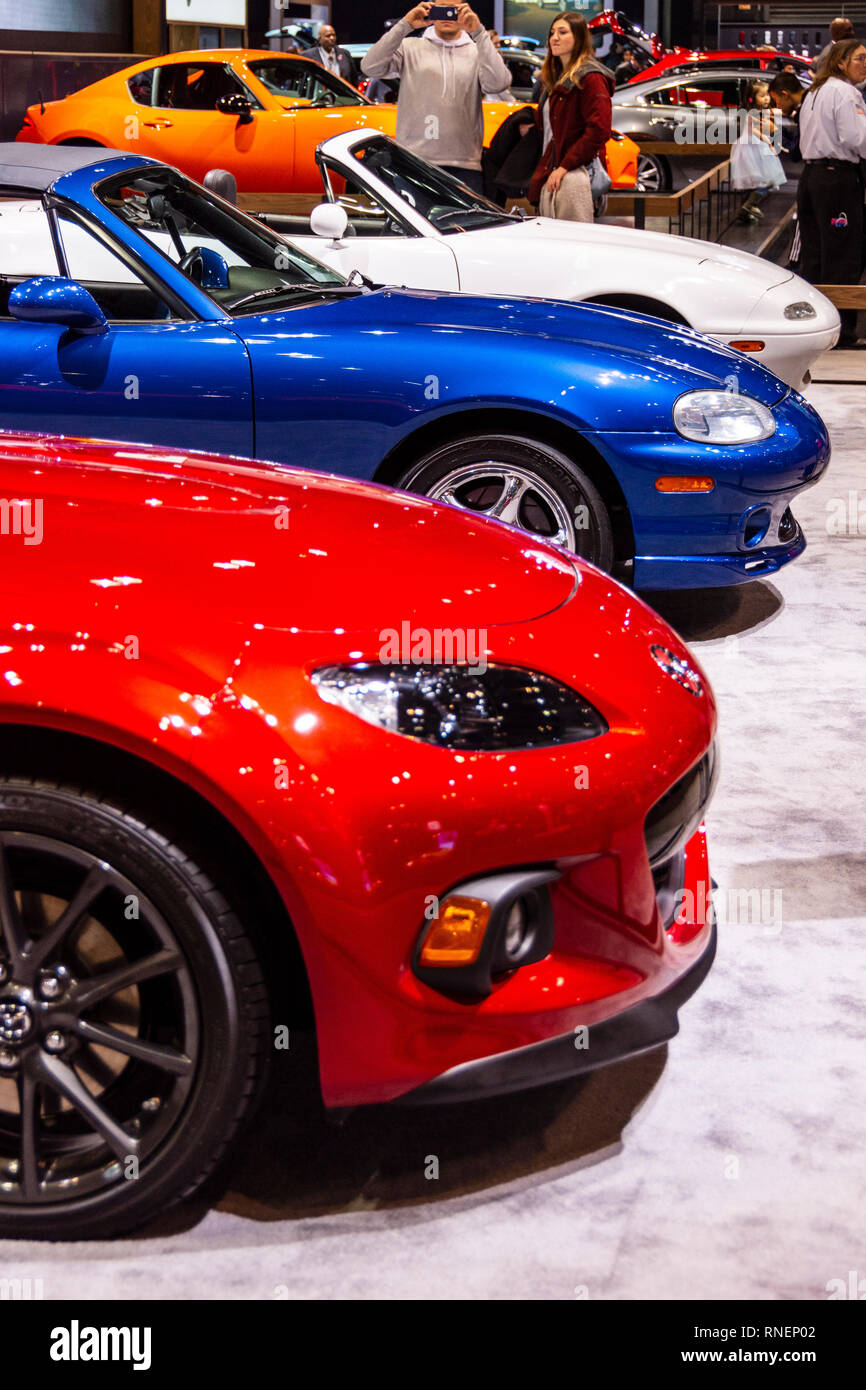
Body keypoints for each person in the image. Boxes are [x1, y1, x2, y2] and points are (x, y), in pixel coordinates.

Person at [362, 3, 511, 193]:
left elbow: (498, 83)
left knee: (463, 224)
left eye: (453, 9)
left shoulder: (476, 51)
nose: (447, 15)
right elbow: (370, 67)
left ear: (464, 10)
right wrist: (405, 25)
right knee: (410, 223)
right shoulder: (410, 47)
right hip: (413, 162)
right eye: (441, 8)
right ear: (430, 9)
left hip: (464, 166)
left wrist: (479, 33)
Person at [798, 38, 866, 345]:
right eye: (860, 59)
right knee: (842, 253)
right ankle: (841, 331)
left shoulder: (816, 90)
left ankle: (811, 327)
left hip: (811, 177)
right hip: (836, 179)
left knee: (815, 254)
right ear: (840, 62)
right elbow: (856, 138)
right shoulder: (846, 91)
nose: (865, 64)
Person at [527, 11, 613, 223]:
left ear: (579, 38)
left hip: (576, 177)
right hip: (554, 173)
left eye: (563, 32)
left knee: (575, 247)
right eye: (552, 32)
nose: (554, 37)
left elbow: (599, 130)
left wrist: (565, 166)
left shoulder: (591, 77)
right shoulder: (553, 80)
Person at [768, 71, 806, 160]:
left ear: (785, 95)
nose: (777, 106)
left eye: (776, 100)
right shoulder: (807, 104)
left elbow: (793, 152)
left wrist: (773, 132)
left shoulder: (806, 109)